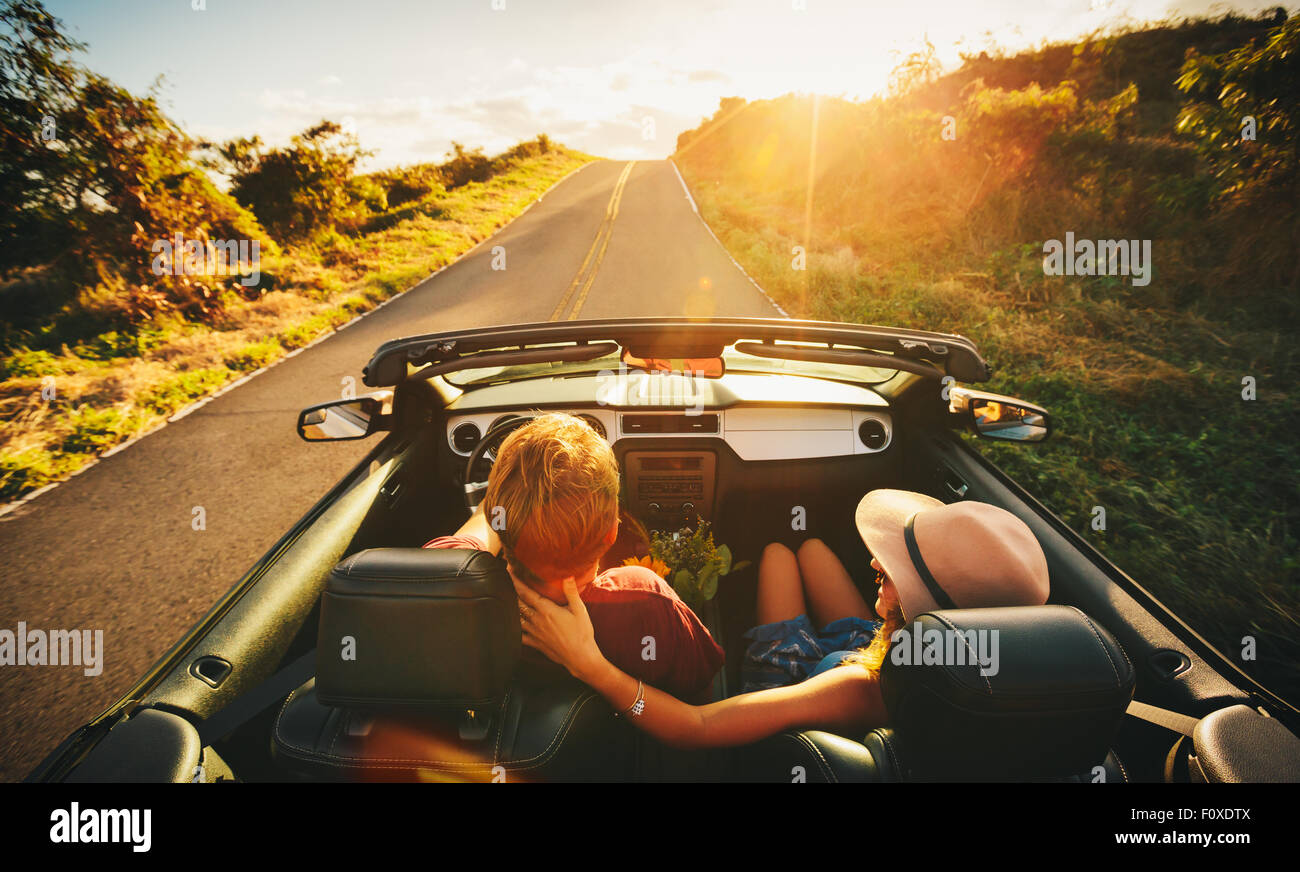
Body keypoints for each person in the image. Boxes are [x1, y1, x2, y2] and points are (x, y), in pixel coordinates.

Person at [515, 489, 1051, 749]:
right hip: (866, 644)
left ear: (929, 613)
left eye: (894, 573)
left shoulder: (864, 691)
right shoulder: (1025, 676)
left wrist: (593, 666)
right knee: (809, 547)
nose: (874, 564)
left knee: (775, 553)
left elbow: (697, 727)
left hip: (806, 679)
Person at [424, 412, 724, 701]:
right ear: (612, 531)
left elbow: (481, 528)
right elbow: (700, 690)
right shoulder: (647, 600)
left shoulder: (448, 585)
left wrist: (512, 493)